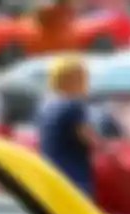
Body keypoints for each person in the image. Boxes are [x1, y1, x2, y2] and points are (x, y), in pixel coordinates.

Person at [36, 56, 102, 199]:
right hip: (74, 180)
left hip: (50, 176)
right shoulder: (74, 105)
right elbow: (88, 138)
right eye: (83, 77)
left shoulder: (46, 104)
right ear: (74, 79)